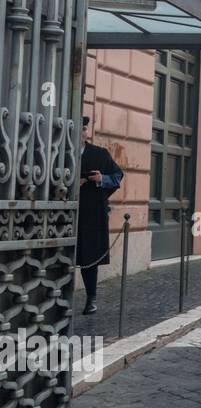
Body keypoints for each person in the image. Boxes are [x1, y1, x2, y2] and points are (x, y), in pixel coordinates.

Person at [78, 116, 124, 315]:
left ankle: (91, 299)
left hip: (91, 214)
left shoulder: (100, 154)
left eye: (85, 128)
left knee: (89, 258)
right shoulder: (59, 152)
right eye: (80, 128)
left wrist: (100, 179)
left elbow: (117, 176)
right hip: (63, 215)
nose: (83, 132)